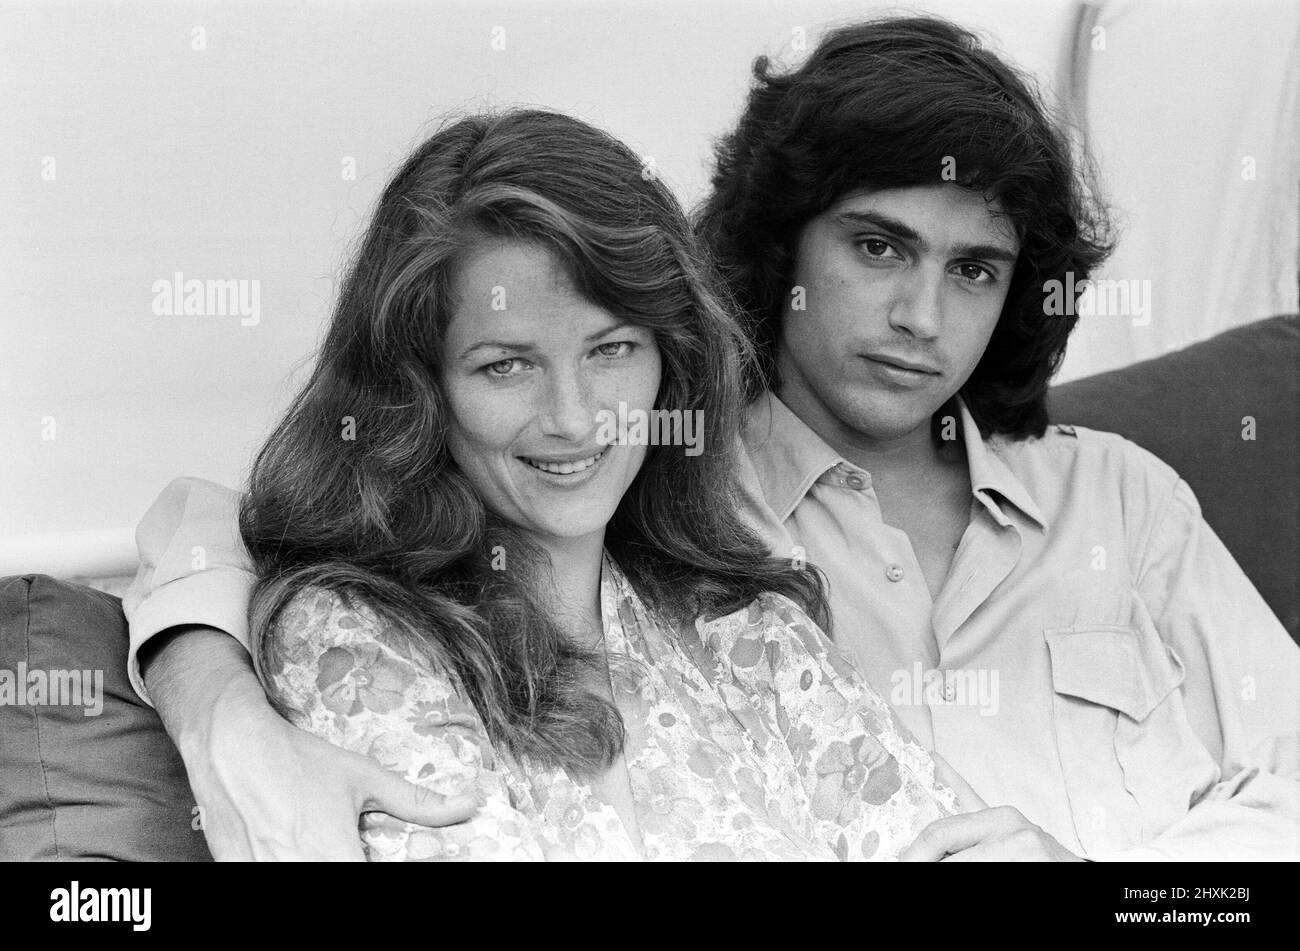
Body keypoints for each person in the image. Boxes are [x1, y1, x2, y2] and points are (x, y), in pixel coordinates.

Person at [126, 15, 1299, 860]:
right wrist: (211, 696)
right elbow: (237, 520)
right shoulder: (685, 488)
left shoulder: (1119, 502)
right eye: (877, 247)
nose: (920, 317)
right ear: (781, 245)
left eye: (975, 270)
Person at [142, 107, 969, 861]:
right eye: (506, 365)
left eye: (610, 350)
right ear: (421, 387)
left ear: (669, 359)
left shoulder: (748, 628)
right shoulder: (359, 640)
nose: (574, 419)